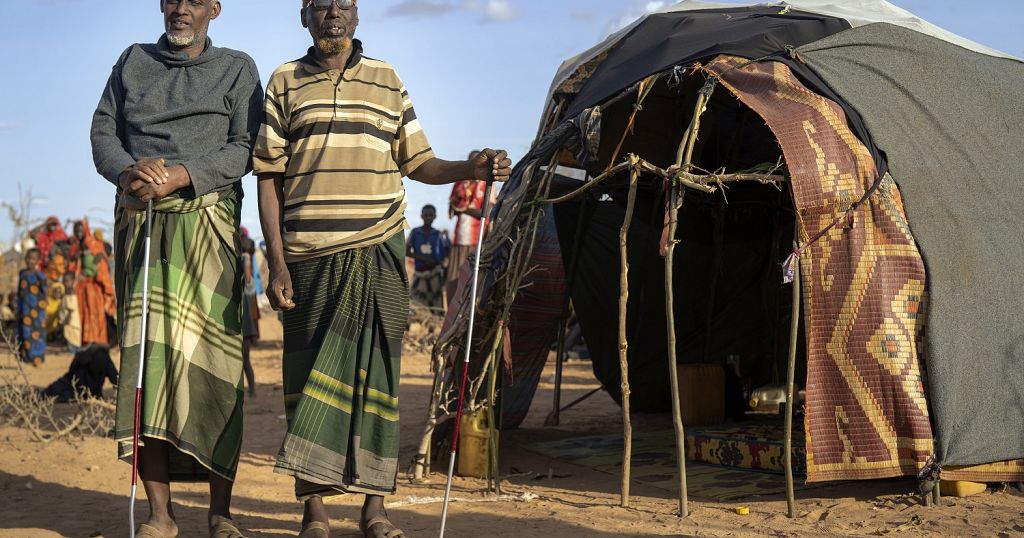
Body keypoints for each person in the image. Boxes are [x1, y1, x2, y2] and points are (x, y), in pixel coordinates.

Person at [253, 2, 512, 535]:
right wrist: (276, 260)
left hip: (379, 252)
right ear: (305, 17)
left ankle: (375, 508)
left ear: (357, 15)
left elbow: (419, 162)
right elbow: (268, 175)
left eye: (343, 4)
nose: (333, 14)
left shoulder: (388, 80)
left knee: (379, 380)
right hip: (308, 259)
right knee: (306, 380)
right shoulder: (283, 81)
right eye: (321, 5)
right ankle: (315, 511)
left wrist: (472, 166)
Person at [89, 0, 262, 535]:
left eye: (193, 0)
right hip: (142, 227)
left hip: (206, 226)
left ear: (215, 8)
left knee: (216, 368)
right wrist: (127, 171)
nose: (180, 9)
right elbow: (102, 135)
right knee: (148, 369)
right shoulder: (132, 60)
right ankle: (160, 515)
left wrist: (184, 174)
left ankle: (220, 514)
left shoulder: (238, 67)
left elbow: (244, 148)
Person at [446, 158, 497, 303]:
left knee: (472, 278)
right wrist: (457, 207)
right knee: (453, 277)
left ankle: (467, 312)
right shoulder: (460, 182)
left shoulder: (489, 184)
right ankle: (450, 311)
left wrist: (463, 209)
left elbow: (486, 212)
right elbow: (451, 211)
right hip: (459, 238)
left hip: (478, 238)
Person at [70, 219, 115, 348]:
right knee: (83, 313)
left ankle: (98, 340)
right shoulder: (76, 247)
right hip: (81, 287)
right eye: (76, 231)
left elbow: (100, 265)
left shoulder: (94, 244)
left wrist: (90, 273)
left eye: (81, 231)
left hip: (94, 286)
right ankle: (86, 340)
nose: (79, 234)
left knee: (95, 312)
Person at [406, 204, 449, 309]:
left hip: (435, 274)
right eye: (426, 215)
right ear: (422, 216)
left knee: (436, 305)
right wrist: (424, 259)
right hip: (419, 274)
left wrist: (440, 262)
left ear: (435, 217)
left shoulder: (438, 234)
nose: (428, 217)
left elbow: (445, 253)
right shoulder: (415, 233)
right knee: (416, 305)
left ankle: (434, 324)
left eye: (431, 215)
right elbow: (407, 251)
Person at [16, 248, 48, 366]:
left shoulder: (41, 276)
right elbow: (20, 292)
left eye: (33, 259)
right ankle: (25, 359)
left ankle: (37, 359)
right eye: (28, 258)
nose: (30, 261)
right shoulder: (22, 273)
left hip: (37, 311)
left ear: (38, 261)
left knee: (38, 334)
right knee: (24, 334)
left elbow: (44, 294)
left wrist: (44, 313)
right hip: (23, 310)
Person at [240, 241, 258, 398]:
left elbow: (248, 278)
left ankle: (251, 390)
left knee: (244, 360)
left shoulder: (241, 257)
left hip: (242, 321)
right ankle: (251, 390)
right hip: (244, 322)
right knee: (244, 360)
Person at [59, 273, 83, 355]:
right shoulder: (66, 292)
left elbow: (70, 309)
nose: (65, 283)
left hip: (71, 322)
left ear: (73, 281)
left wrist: (67, 320)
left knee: (74, 341)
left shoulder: (71, 292)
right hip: (70, 322)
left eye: (67, 281)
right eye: (64, 281)